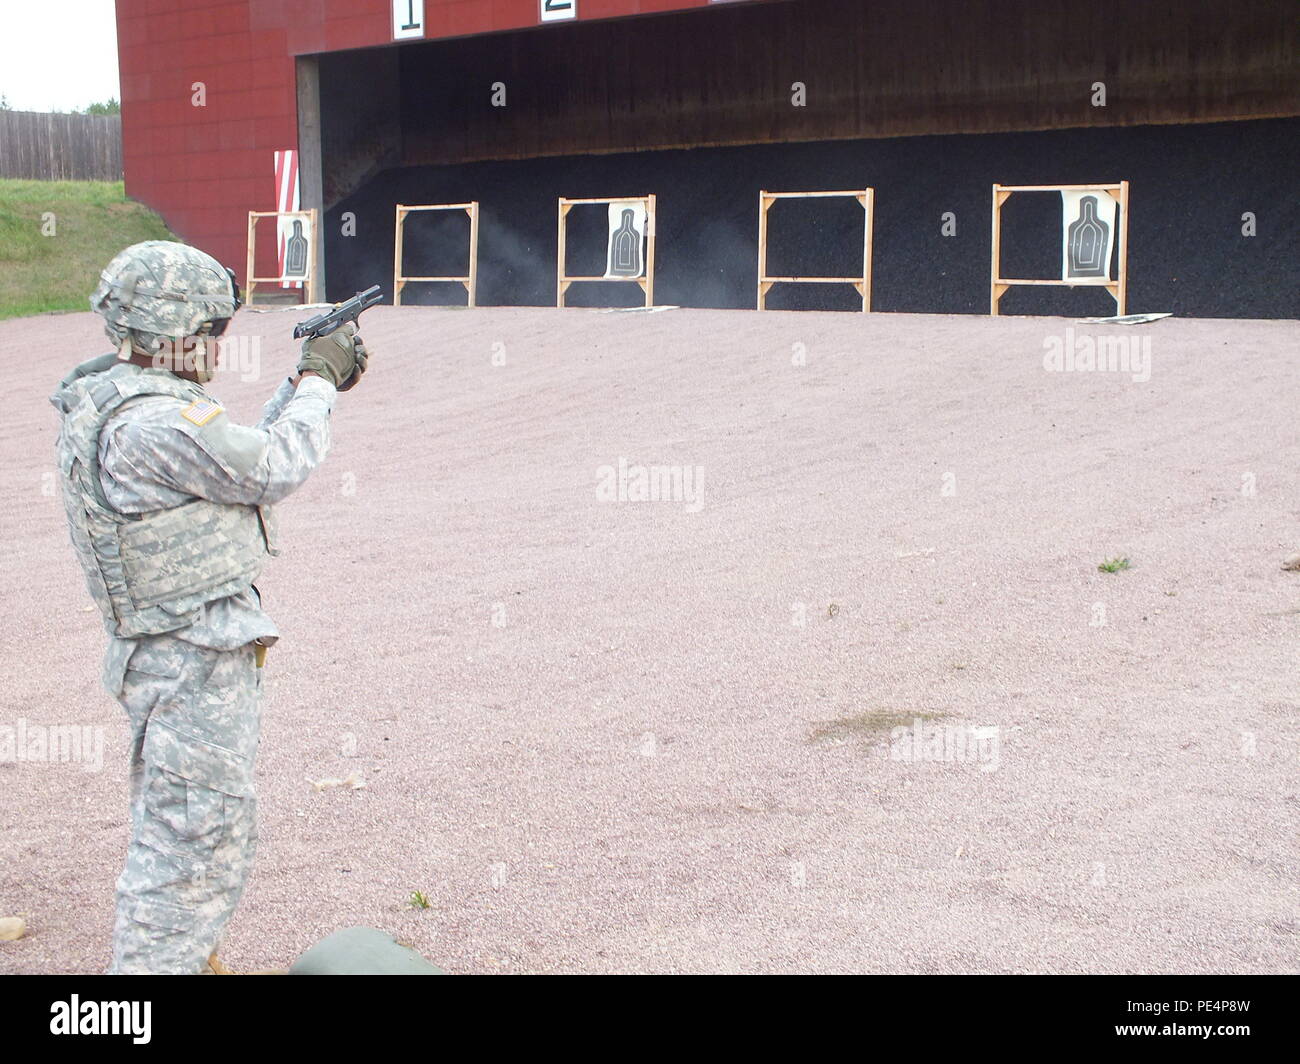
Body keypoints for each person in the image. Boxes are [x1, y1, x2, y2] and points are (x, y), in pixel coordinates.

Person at [49, 240, 369, 974]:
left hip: (173, 651)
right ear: (175, 334)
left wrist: (299, 381)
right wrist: (321, 382)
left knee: (185, 828)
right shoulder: (154, 424)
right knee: (189, 846)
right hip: (189, 657)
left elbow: (236, 454)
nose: (218, 346)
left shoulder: (121, 400)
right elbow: (271, 466)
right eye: (211, 331)